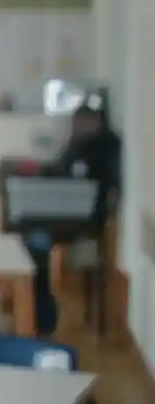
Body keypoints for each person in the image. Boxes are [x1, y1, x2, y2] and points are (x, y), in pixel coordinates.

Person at [23, 100, 122, 335]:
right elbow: (61, 170)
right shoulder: (76, 144)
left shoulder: (105, 148)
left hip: (84, 221)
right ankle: (40, 313)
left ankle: (43, 317)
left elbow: (101, 188)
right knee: (32, 245)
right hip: (63, 213)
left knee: (35, 245)